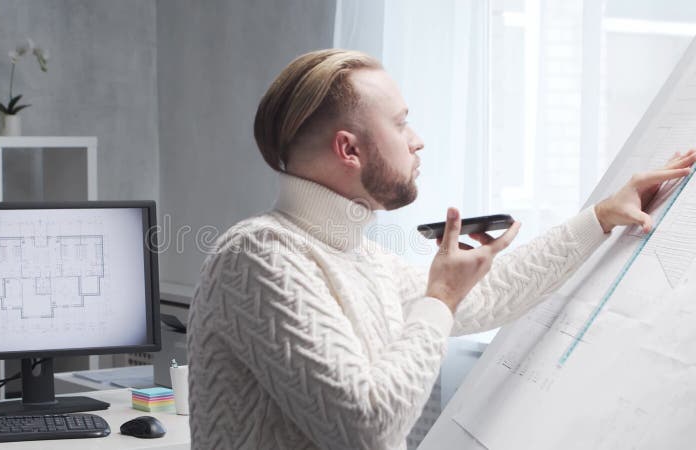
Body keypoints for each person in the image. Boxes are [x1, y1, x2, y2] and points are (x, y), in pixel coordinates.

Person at [186, 49, 696, 450]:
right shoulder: (257, 257)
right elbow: (366, 430)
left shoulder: (361, 257)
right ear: (349, 149)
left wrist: (602, 217)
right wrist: (440, 298)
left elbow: (486, 292)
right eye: (401, 123)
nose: (418, 140)